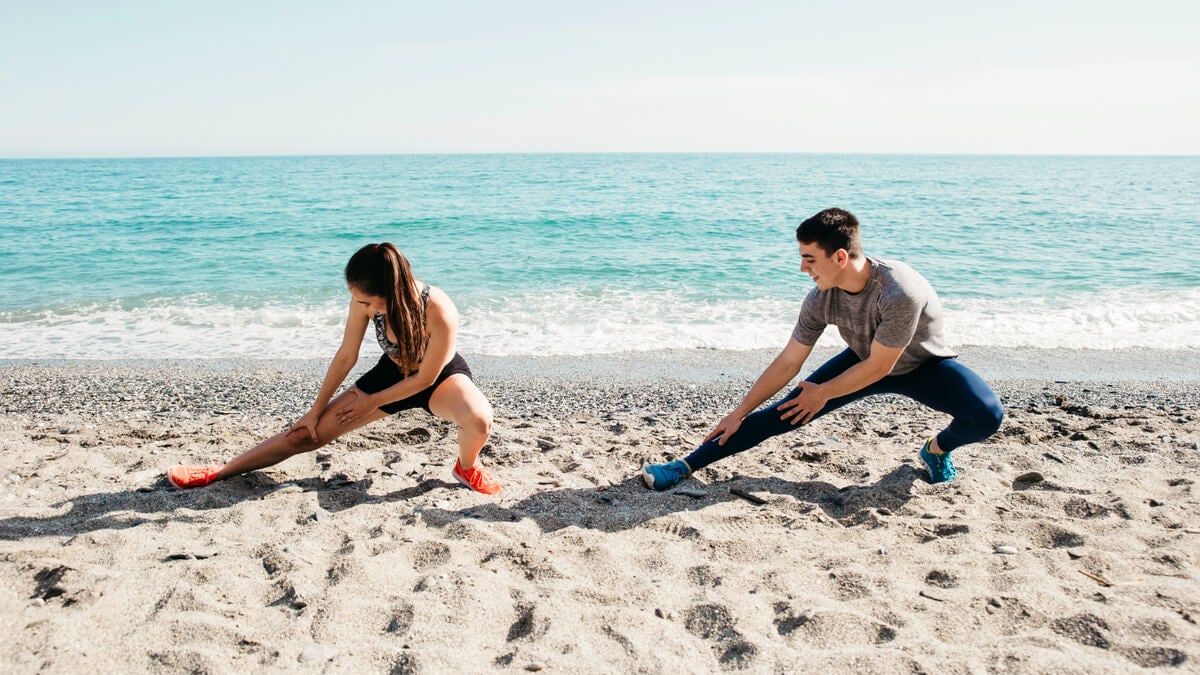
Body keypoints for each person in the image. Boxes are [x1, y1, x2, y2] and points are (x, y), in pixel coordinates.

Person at [641, 208, 1003, 491]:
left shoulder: (898, 292)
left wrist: (824, 393)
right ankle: (683, 466)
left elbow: (881, 367)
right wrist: (739, 412)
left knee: (987, 416)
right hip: (863, 359)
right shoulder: (820, 300)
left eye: (810, 259)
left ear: (840, 257)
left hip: (924, 366)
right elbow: (788, 362)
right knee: (782, 414)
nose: (803, 268)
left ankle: (937, 449)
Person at [167, 242, 501, 494]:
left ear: (392, 292)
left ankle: (467, 467)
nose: (362, 307)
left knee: (479, 419)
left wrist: (371, 402)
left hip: (439, 378)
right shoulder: (365, 303)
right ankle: (219, 471)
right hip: (390, 375)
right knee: (305, 436)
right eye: (358, 301)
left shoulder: (438, 309)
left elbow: (426, 377)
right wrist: (314, 411)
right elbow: (346, 356)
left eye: (367, 302)